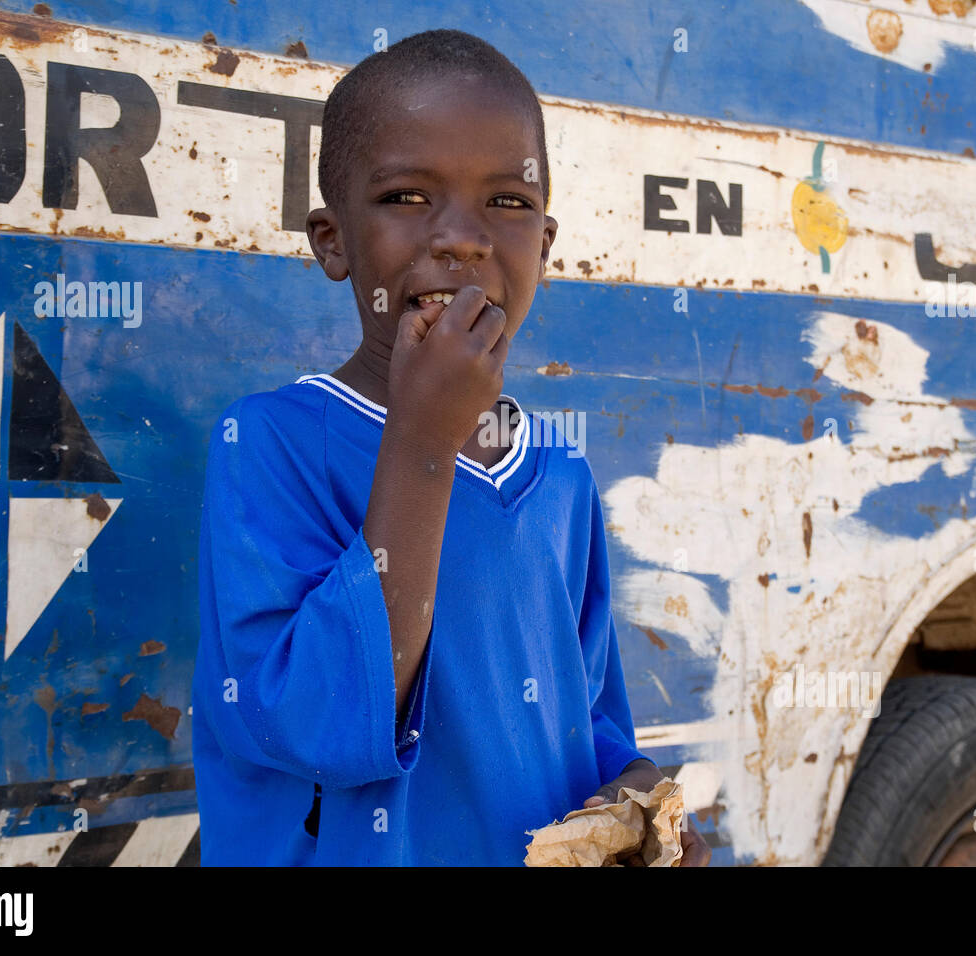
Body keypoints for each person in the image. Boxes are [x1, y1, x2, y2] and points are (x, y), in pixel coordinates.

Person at [192, 28, 711, 866]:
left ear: (542, 246)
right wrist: (425, 443)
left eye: (507, 203)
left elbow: (589, 722)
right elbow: (309, 719)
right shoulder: (269, 445)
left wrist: (639, 795)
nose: (463, 238)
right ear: (334, 241)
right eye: (405, 197)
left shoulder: (559, 476)